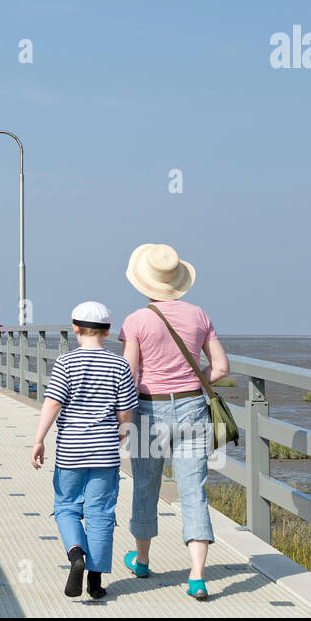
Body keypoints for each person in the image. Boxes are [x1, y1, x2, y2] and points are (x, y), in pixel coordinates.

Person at [118, 243, 229, 601]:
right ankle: (197, 576)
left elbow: (130, 374)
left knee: (146, 485)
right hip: (193, 409)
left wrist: (120, 419)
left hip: (148, 411)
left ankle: (143, 559)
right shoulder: (199, 315)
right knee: (193, 491)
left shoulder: (136, 321)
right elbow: (223, 368)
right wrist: (195, 383)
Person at [31, 302, 137, 600]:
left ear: (75, 328)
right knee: (100, 512)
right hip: (105, 451)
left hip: (71, 451)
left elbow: (53, 403)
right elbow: (126, 411)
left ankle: (76, 554)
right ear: (107, 331)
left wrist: (39, 440)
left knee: (66, 506)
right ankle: (95, 580)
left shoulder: (66, 363)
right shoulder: (119, 365)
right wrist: (122, 436)